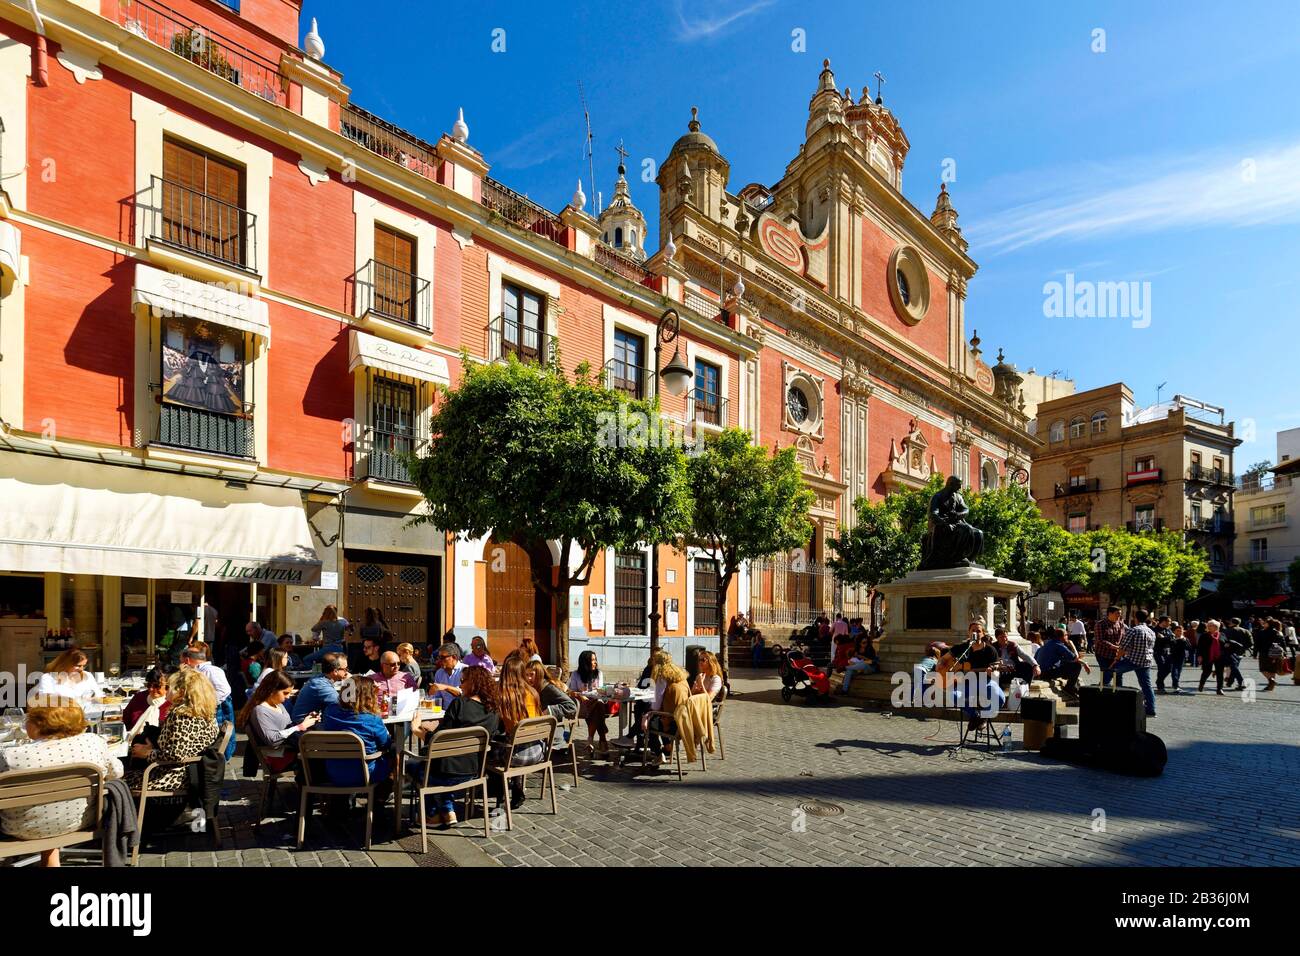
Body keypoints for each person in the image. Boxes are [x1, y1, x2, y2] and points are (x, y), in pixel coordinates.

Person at [0, 697, 123, 866]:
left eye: (28, 716)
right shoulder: (93, 742)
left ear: (39, 724)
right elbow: (117, 772)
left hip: (22, 828)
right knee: (51, 805)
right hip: (80, 820)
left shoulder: (12, 756)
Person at [409, 665, 502, 828]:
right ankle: (447, 810)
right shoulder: (494, 710)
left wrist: (417, 729)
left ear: (474, 683)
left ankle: (433, 815)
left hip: (446, 771)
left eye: (463, 681)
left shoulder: (459, 704)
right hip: (473, 771)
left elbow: (438, 741)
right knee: (436, 766)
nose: (460, 685)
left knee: (411, 765)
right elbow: (450, 734)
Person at [124, 668, 219, 826]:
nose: (166, 690)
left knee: (118, 782)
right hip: (191, 770)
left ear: (181, 692)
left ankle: (126, 828)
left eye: (169, 687)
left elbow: (175, 755)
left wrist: (148, 753)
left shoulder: (181, 715)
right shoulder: (203, 711)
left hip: (174, 775)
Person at [237, 670, 319, 774]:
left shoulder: (278, 705)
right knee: (319, 755)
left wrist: (307, 721)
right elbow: (272, 739)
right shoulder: (260, 711)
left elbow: (288, 727)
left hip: (287, 750)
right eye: (285, 693)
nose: (288, 696)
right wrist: (300, 727)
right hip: (278, 756)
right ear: (272, 690)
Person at [322, 676, 392, 793]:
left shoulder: (329, 712)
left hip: (333, 772)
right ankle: (380, 799)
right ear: (367, 696)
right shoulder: (372, 719)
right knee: (395, 753)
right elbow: (385, 744)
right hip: (365, 773)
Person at [494, 652, 543, 811]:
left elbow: (495, 725)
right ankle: (516, 787)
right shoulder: (533, 693)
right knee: (512, 742)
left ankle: (501, 794)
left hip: (515, 756)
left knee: (492, 750)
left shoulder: (502, 696)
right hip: (538, 751)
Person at [938, 623, 1005, 729]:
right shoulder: (962, 648)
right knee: (954, 695)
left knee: (1000, 698)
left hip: (985, 682)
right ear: (968, 633)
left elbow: (997, 670)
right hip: (966, 683)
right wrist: (940, 664)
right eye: (973, 630)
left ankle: (983, 717)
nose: (976, 633)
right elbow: (944, 658)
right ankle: (976, 716)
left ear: (983, 634)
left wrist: (993, 673)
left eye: (978, 631)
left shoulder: (990, 650)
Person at [180, 645, 234, 760]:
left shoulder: (211, 670)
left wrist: (205, 704)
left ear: (187, 661)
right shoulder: (200, 671)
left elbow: (224, 691)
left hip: (214, 714)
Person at [1111, 609, 1158, 717]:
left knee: (1112, 672)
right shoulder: (1151, 631)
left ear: (1135, 618)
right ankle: (1151, 709)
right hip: (1146, 661)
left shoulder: (1133, 630)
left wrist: (1117, 659)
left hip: (1133, 660)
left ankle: (1116, 697)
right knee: (1147, 686)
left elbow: (1123, 647)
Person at [647, 650, 691, 762]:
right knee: (658, 717)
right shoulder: (680, 676)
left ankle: (658, 753)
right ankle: (667, 748)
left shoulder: (662, 678)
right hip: (686, 720)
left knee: (649, 722)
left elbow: (655, 706)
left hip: (673, 724)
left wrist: (647, 714)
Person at [528, 660, 580, 753]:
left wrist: (548, 711)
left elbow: (571, 707)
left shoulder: (549, 688)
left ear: (539, 674)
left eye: (531, 674)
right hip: (539, 729)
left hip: (552, 733)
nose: (528, 678)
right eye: (526, 675)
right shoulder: (533, 688)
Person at [566, 650, 609, 753]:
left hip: (595, 701)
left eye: (595, 660)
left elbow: (600, 689)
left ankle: (590, 739)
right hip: (582, 703)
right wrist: (581, 697)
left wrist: (602, 691)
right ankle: (602, 738)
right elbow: (571, 691)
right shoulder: (576, 674)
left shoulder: (599, 673)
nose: (595, 662)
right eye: (592, 660)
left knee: (598, 704)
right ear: (585, 662)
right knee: (598, 708)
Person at [292, 651, 347, 722]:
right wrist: (351, 682)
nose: (347, 672)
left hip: (312, 722)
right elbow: (344, 705)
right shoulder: (320, 685)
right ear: (335, 671)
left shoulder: (320, 679)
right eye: (345, 669)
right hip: (303, 726)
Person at [33, 649, 101, 706]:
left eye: (84, 666)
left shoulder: (87, 675)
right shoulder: (48, 678)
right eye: (78, 665)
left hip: (87, 714)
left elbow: (99, 694)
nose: (81, 669)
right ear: (66, 664)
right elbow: (45, 700)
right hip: (62, 716)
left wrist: (94, 698)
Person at [1035, 627, 1087, 695]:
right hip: (1047, 673)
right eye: (1066, 635)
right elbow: (1075, 658)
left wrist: (1084, 663)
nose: (1067, 637)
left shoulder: (1048, 643)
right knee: (1076, 666)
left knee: (1067, 663)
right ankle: (1069, 687)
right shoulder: (1059, 645)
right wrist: (1072, 645)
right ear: (1062, 636)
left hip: (1041, 672)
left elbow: (1066, 659)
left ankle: (1071, 686)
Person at [123, 667, 171, 740]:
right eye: (149, 685)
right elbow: (126, 719)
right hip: (134, 742)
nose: (151, 689)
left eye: (156, 686)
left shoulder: (172, 704)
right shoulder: (139, 697)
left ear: (168, 686)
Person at [1094, 606, 1127, 688]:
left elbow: (1126, 636)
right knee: (1107, 675)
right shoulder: (1100, 624)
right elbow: (1100, 640)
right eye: (1117, 614)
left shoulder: (1121, 624)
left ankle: (1118, 694)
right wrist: (1115, 647)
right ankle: (1102, 692)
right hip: (1103, 654)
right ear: (1110, 613)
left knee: (1118, 675)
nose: (1119, 616)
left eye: (1120, 614)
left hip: (1118, 655)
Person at [430, 643, 466, 708]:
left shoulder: (465, 670)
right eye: (438, 657)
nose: (439, 660)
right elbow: (437, 697)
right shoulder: (439, 673)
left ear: (454, 657)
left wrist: (445, 687)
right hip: (444, 713)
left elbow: (463, 694)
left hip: (462, 713)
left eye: (442, 657)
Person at [1255, 617, 1285, 692]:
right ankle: (1270, 686)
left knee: (1263, 669)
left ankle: (1271, 680)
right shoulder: (1277, 632)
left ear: (1268, 624)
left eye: (1264, 623)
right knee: (1272, 670)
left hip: (1264, 653)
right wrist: (1284, 653)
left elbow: (1257, 644)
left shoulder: (1262, 632)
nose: (1263, 624)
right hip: (1276, 653)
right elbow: (1283, 643)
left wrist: (1255, 653)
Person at [1197, 620, 1226, 695]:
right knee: (1207, 671)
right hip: (1207, 656)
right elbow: (1199, 647)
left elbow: (1225, 643)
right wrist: (1199, 656)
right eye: (1208, 626)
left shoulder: (1222, 634)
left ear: (1216, 627)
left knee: (1220, 673)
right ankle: (1201, 684)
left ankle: (1219, 689)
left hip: (1220, 656)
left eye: (1211, 626)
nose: (1209, 627)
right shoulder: (1204, 635)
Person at [1222, 619, 1250, 690]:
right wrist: (1243, 648)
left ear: (1232, 623)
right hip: (1241, 652)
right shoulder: (1246, 631)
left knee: (1234, 667)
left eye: (1230, 622)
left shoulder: (1227, 631)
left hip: (1230, 651)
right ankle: (1230, 682)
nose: (1229, 623)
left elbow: (1224, 641)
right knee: (1234, 667)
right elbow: (1250, 643)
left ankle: (1241, 682)